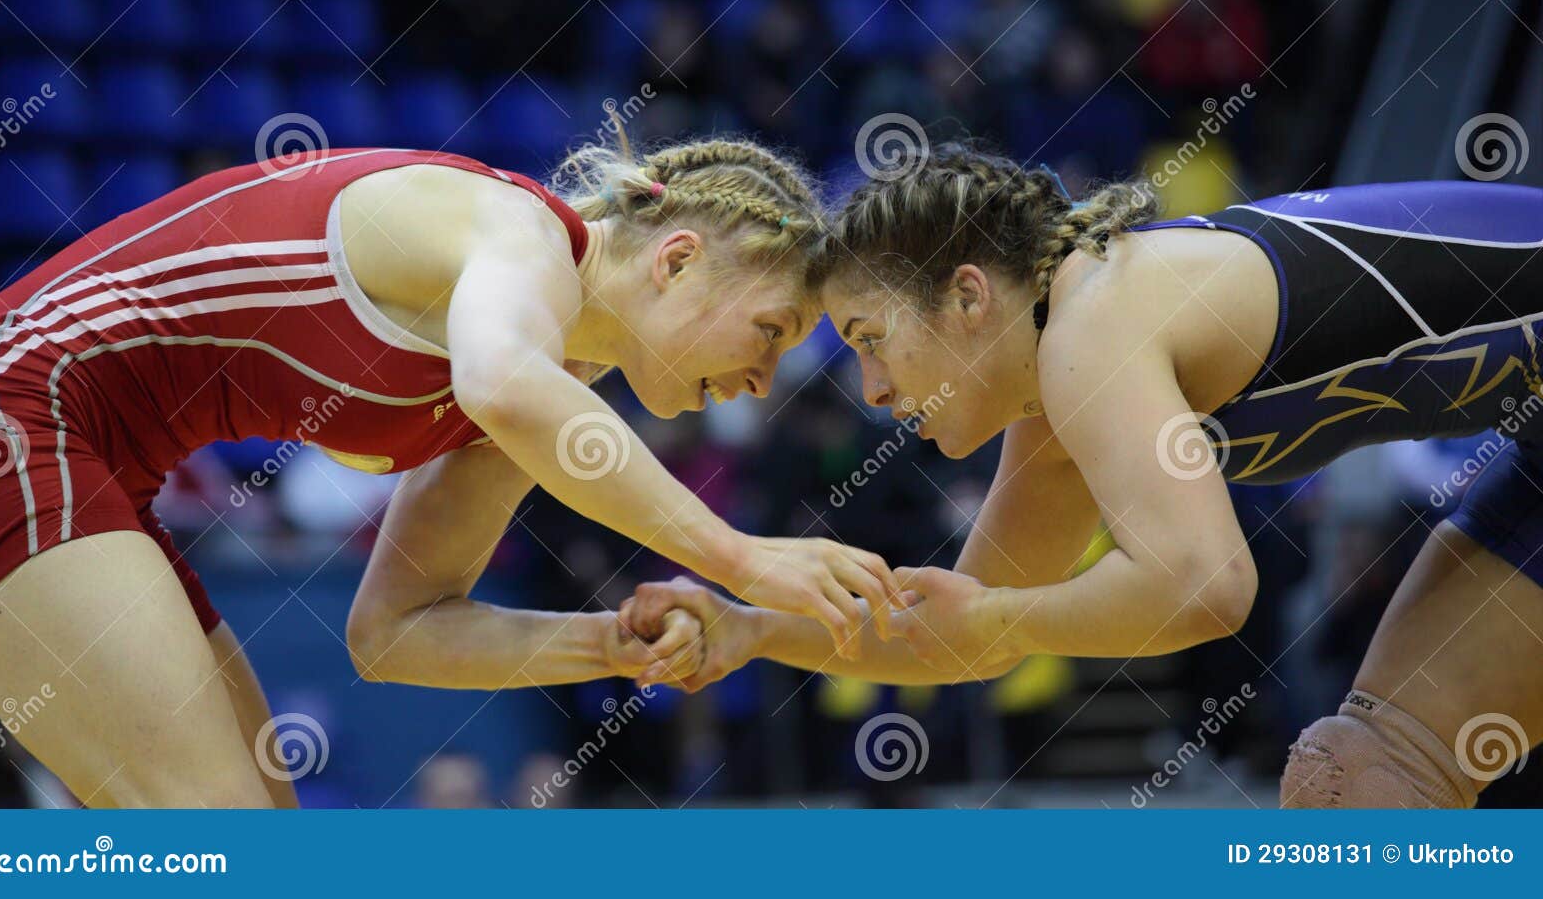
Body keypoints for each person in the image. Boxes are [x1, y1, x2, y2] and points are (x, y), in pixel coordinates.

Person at [0, 134, 898, 808]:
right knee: (211, 835)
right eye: (770, 331)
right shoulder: (516, 233)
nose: (764, 377)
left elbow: (396, 633)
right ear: (678, 259)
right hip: (2, 410)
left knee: (261, 851)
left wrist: (614, 645)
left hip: (98, 462)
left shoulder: (543, 370)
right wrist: (741, 557)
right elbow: (499, 383)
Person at [625, 143, 1543, 809]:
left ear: (970, 295)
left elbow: (1204, 586)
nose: (870, 389)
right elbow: (962, 636)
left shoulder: (1094, 319)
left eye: (871, 340)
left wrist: (990, 615)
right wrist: (751, 630)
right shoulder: (1060, 389)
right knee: (1367, 786)